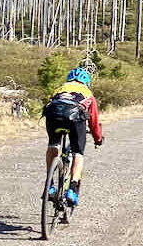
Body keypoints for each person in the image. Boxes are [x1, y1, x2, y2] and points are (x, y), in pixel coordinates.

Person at [43, 66, 104, 208]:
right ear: (86, 82)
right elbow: (93, 121)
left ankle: (50, 185)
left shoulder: (60, 88)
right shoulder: (87, 93)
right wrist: (98, 139)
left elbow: (49, 105)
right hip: (74, 118)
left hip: (53, 116)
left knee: (53, 145)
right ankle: (72, 190)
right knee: (78, 153)